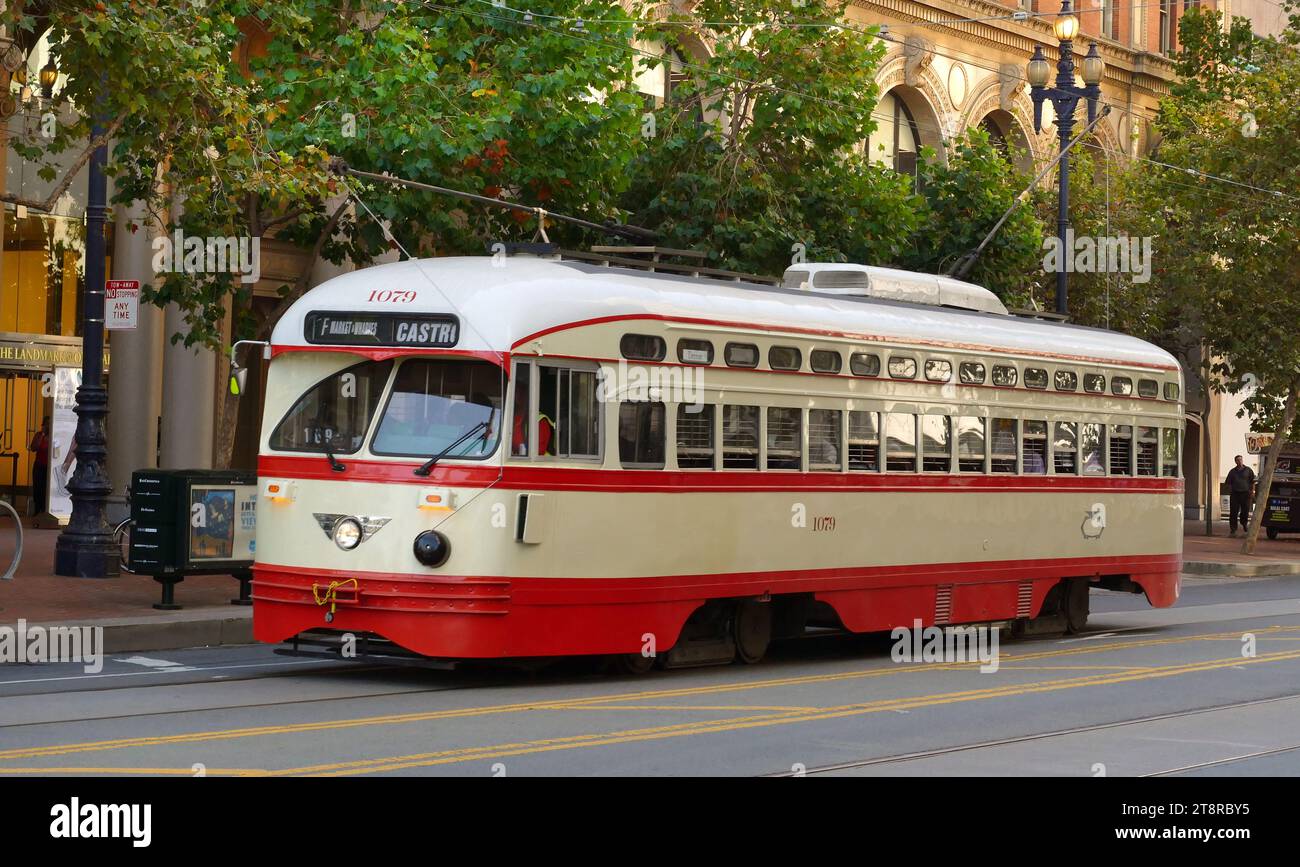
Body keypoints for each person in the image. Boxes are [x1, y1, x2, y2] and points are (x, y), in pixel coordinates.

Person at [1226, 454, 1257, 537]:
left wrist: (1253, 491)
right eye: (1238, 460)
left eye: (1241, 459)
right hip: (1235, 494)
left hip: (1246, 494)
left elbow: (1253, 481)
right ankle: (1233, 529)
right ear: (1235, 461)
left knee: (1245, 511)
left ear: (1242, 460)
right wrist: (1231, 491)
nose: (1239, 461)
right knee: (1233, 512)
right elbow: (1228, 483)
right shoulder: (1232, 471)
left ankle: (1244, 525)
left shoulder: (1248, 470)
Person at [29, 418, 51, 516]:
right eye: (46, 424)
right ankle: (37, 510)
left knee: (46, 489)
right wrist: (42, 435)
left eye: (49, 424)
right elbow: (33, 448)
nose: (47, 426)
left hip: (49, 467)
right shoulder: (39, 435)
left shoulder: (53, 435)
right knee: (38, 488)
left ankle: (46, 510)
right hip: (39, 466)